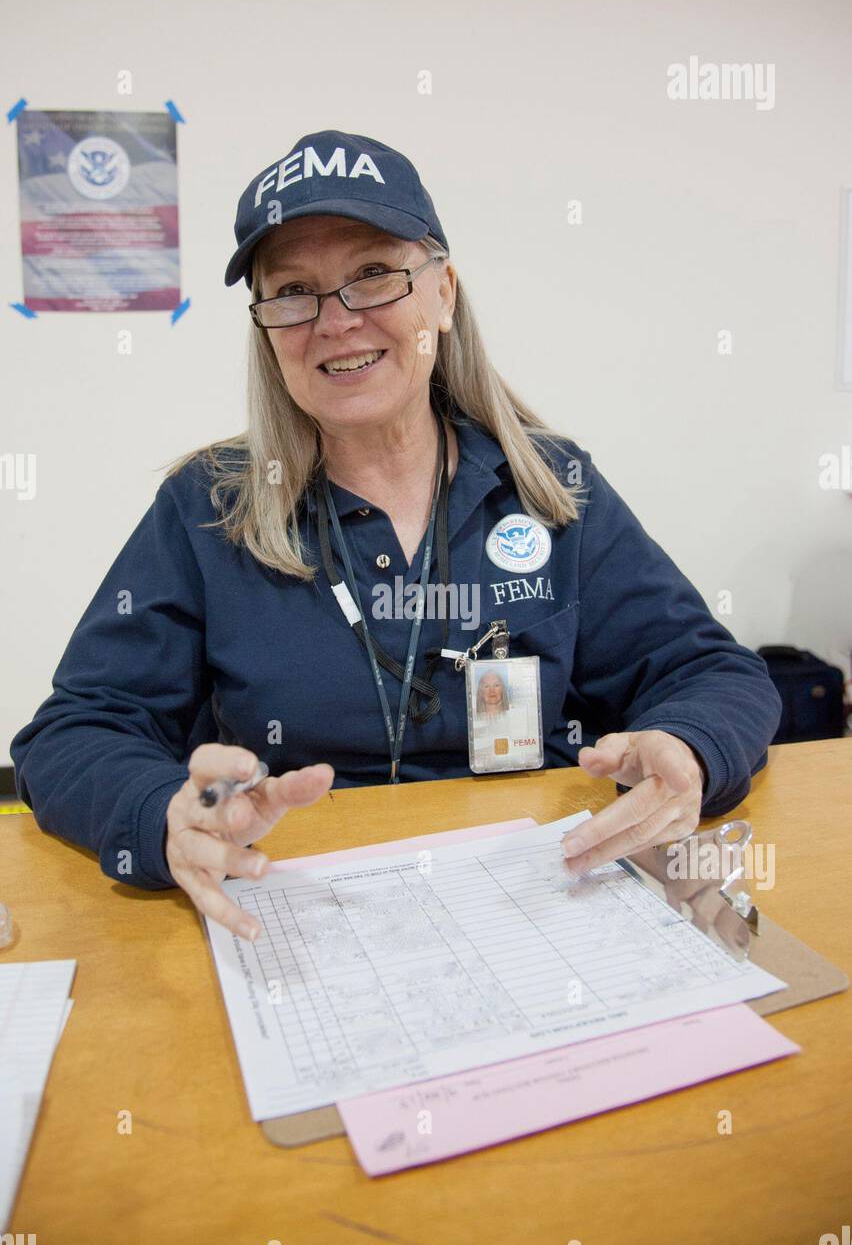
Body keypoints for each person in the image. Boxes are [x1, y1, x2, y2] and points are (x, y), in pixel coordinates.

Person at [10, 129, 782, 942]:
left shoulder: (552, 487)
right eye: (294, 292)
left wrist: (690, 748)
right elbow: (72, 733)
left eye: (373, 276)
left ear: (443, 293)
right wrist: (159, 812)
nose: (335, 322)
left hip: (542, 903)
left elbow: (711, 671)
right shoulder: (207, 507)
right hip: (296, 911)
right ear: (265, 329)